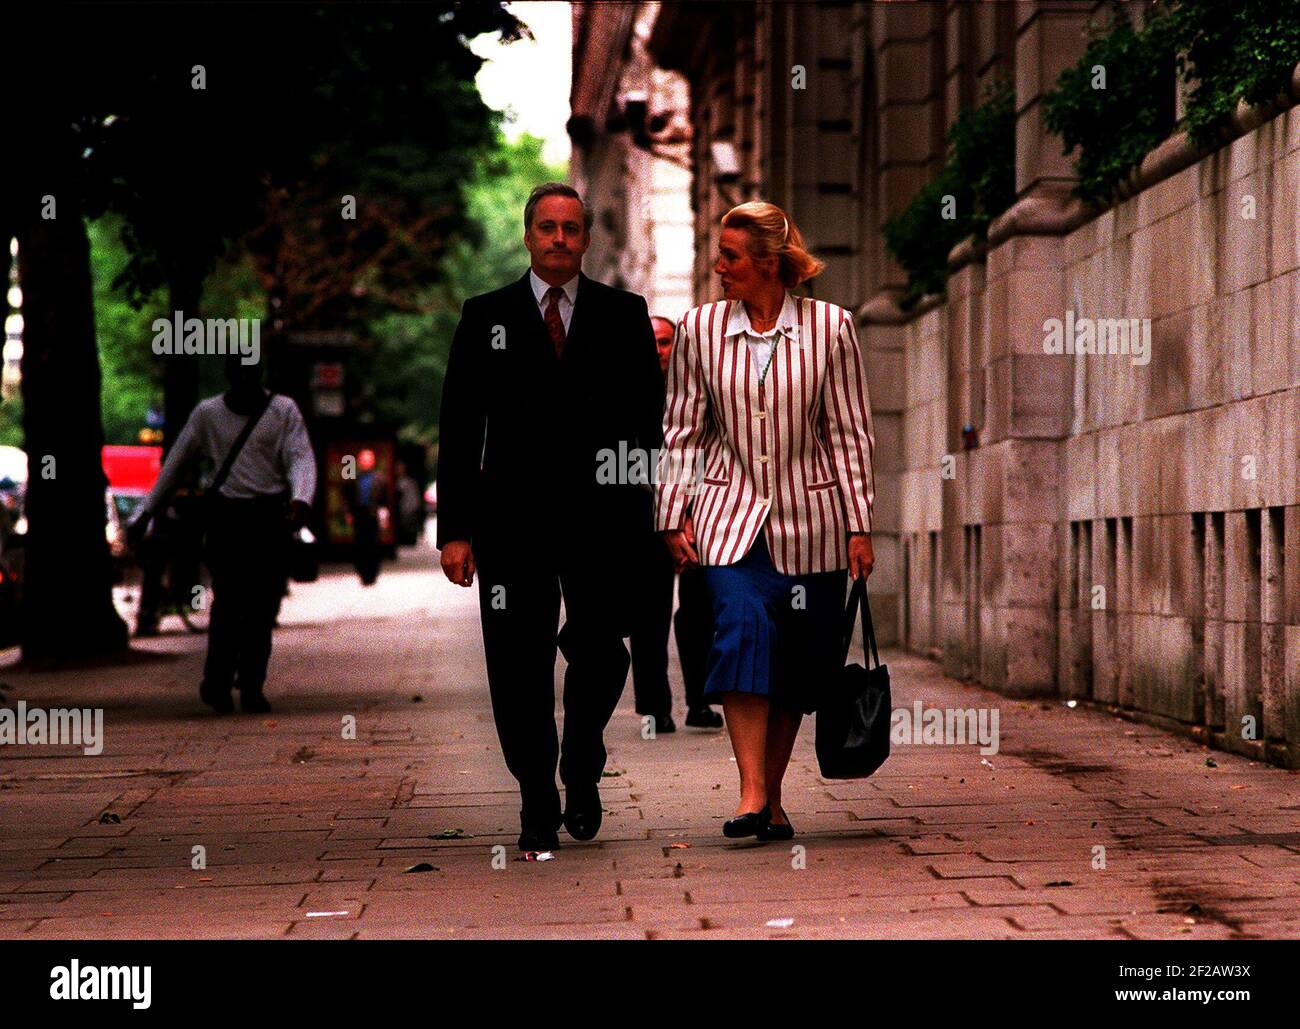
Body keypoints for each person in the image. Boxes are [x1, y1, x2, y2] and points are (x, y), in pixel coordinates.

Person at [436, 182, 664, 852]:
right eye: (546, 227)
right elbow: (459, 426)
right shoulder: (487, 317)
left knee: (599, 650)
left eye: (571, 228)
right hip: (512, 525)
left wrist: (644, 513)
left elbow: (647, 426)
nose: (559, 239)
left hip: (603, 524)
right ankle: (537, 795)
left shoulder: (624, 315)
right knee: (516, 662)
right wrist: (455, 530)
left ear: (586, 238)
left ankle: (582, 760)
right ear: (529, 235)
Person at [656, 200, 876, 842]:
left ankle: (770, 798)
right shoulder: (698, 330)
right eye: (718, 255)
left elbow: (850, 432)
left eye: (729, 257)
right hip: (727, 519)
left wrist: (859, 523)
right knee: (741, 629)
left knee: (797, 663)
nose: (717, 267)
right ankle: (753, 793)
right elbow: (682, 432)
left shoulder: (831, 328)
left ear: (767, 261)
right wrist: (673, 515)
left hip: (813, 521)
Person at [129, 357, 316, 714]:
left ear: (259, 376)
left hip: (268, 517)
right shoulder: (208, 414)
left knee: (261, 608)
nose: (246, 381)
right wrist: (146, 513)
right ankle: (217, 681)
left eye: (251, 374)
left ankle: (250, 685)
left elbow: (300, 457)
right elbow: (177, 462)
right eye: (239, 374)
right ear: (230, 376)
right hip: (228, 517)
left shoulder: (282, 410)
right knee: (229, 603)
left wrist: (300, 498)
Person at [628, 314, 723, 733]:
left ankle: (700, 702)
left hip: (702, 517)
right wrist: (669, 513)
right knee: (650, 616)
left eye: (665, 342)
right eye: (651, 343)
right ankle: (654, 707)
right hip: (648, 522)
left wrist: (690, 513)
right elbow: (628, 464)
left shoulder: (702, 391)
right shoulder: (626, 397)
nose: (658, 351)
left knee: (699, 612)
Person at [344, 448, 382, 585]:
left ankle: (373, 573)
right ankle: (362, 572)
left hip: (372, 514)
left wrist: (385, 515)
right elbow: (347, 497)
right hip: (358, 514)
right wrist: (348, 512)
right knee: (360, 544)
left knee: (373, 543)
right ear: (359, 462)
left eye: (369, 459)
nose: (366, 462)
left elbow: (384, 500)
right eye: (364, 459)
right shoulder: (353, 477)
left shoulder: (379, 478)